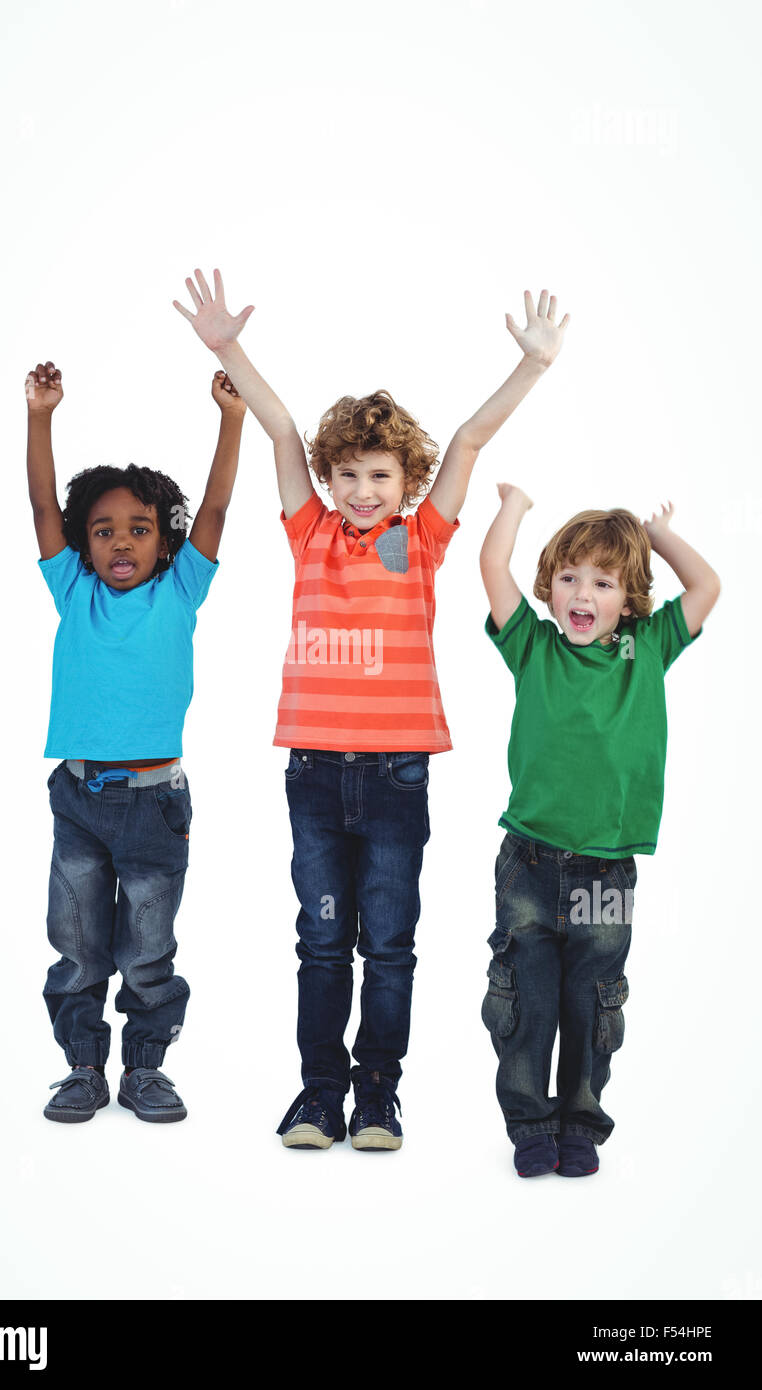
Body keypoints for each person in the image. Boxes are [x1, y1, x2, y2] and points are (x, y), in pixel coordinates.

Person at [175, 271, 568, 1149]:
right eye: (346, 473)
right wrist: (226, 347)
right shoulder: (308, 531)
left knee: (388, 945)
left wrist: (532, 367)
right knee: (321, 944)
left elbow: (468, 439)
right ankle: (319, 1095)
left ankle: (378, 1095)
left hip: (396, 776)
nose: (360, 490)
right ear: (327, 477)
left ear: (407, 479)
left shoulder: (420, 542)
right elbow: (279, 425)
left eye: (379, 475)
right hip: (315, 774)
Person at [25, 359, 245, 1122]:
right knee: (78, 942)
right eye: (104, 531)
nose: (122, 543)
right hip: (80, 799)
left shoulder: (180, 589)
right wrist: (42, 416)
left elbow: (216, 504)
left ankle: (145, 1068)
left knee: (147, 949)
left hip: (156, 807)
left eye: (140, 530)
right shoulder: (73, 589)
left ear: (165, 541)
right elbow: (42, 508)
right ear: (84, 545)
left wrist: (231, 419)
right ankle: (84, 1067)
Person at [479, 485, 720, 1175]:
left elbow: (707, 586)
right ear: (550, 589)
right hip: (528, 860)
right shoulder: (532, 646)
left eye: (604, 582)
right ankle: (529, 1124)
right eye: (568, 578)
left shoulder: (649, 649)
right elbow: (493, 570)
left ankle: (580, 1122)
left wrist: (658, 536)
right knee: (524, 998)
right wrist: (515, 512)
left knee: (593, 1001)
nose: (582, 594)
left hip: (606, 868)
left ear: (630, 598)